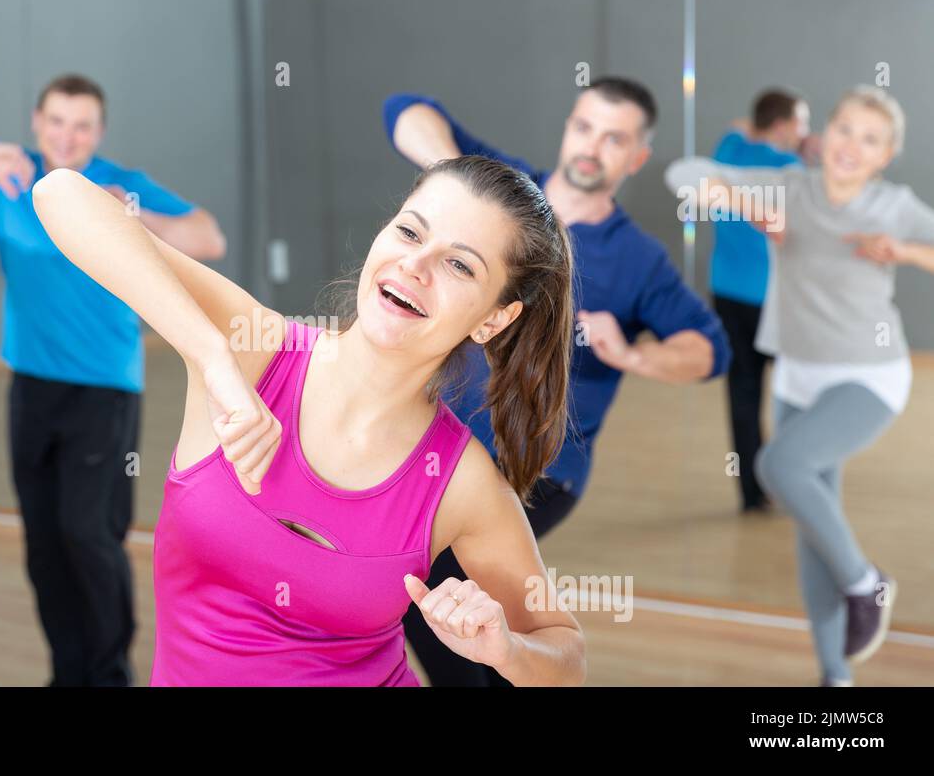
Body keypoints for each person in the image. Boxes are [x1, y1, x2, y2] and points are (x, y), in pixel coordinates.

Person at [32, 154, 586, 686]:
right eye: (410, 233)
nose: (414, 267)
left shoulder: (460, 482)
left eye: (459, 265)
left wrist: (507, 650)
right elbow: (59, 193)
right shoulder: (255, 350)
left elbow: (564, 654)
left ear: (495, 319)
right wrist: (212, 358)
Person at [384, 76, 730, 686]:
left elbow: (710, 349)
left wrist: (634, 356)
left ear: (636, 157)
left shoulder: (639, 260)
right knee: (439, 604)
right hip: (443, 457)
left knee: (435, 595)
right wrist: (452, 182)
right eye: (585, 127)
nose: (592, 147)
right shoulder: (505, 197)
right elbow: (405, 107)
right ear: (569, 125)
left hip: (538, 475)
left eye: (615, 138)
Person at [0, 73, 226, 686]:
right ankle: (68, 672)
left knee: (89, 534)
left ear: (98, 132)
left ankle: (110, 676)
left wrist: (129, 212)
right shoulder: (12, 173)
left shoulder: (120, 183)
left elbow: (208, 237)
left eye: (82, 126)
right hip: (30, 385)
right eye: (56, 122)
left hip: (104, 388)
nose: (68, 136)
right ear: (37, 122)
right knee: (44, 543)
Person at [665, 85, 934, 686]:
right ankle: (835, 675)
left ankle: (867, 582)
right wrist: (731, 198)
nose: (851, 146)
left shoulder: (894, 205)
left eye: (869, 139)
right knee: (815, 529)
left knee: (779, 468)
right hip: (797, 375)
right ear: (824, 134)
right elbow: (684, 170)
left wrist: (907, 251)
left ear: (885, 154)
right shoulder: (789, 188)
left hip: (870, 375)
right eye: (845, 130)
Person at [709, 89, 809, 513]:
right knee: (793, 395)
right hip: (776, 301)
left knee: (743, 394)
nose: (806, 133)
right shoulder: (791, 168)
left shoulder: (726, 152)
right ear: (784, 125)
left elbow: (736, 128)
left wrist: (751, 129)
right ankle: (792, 483)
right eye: (802, 123)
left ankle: (752, 494)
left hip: (727, 295)